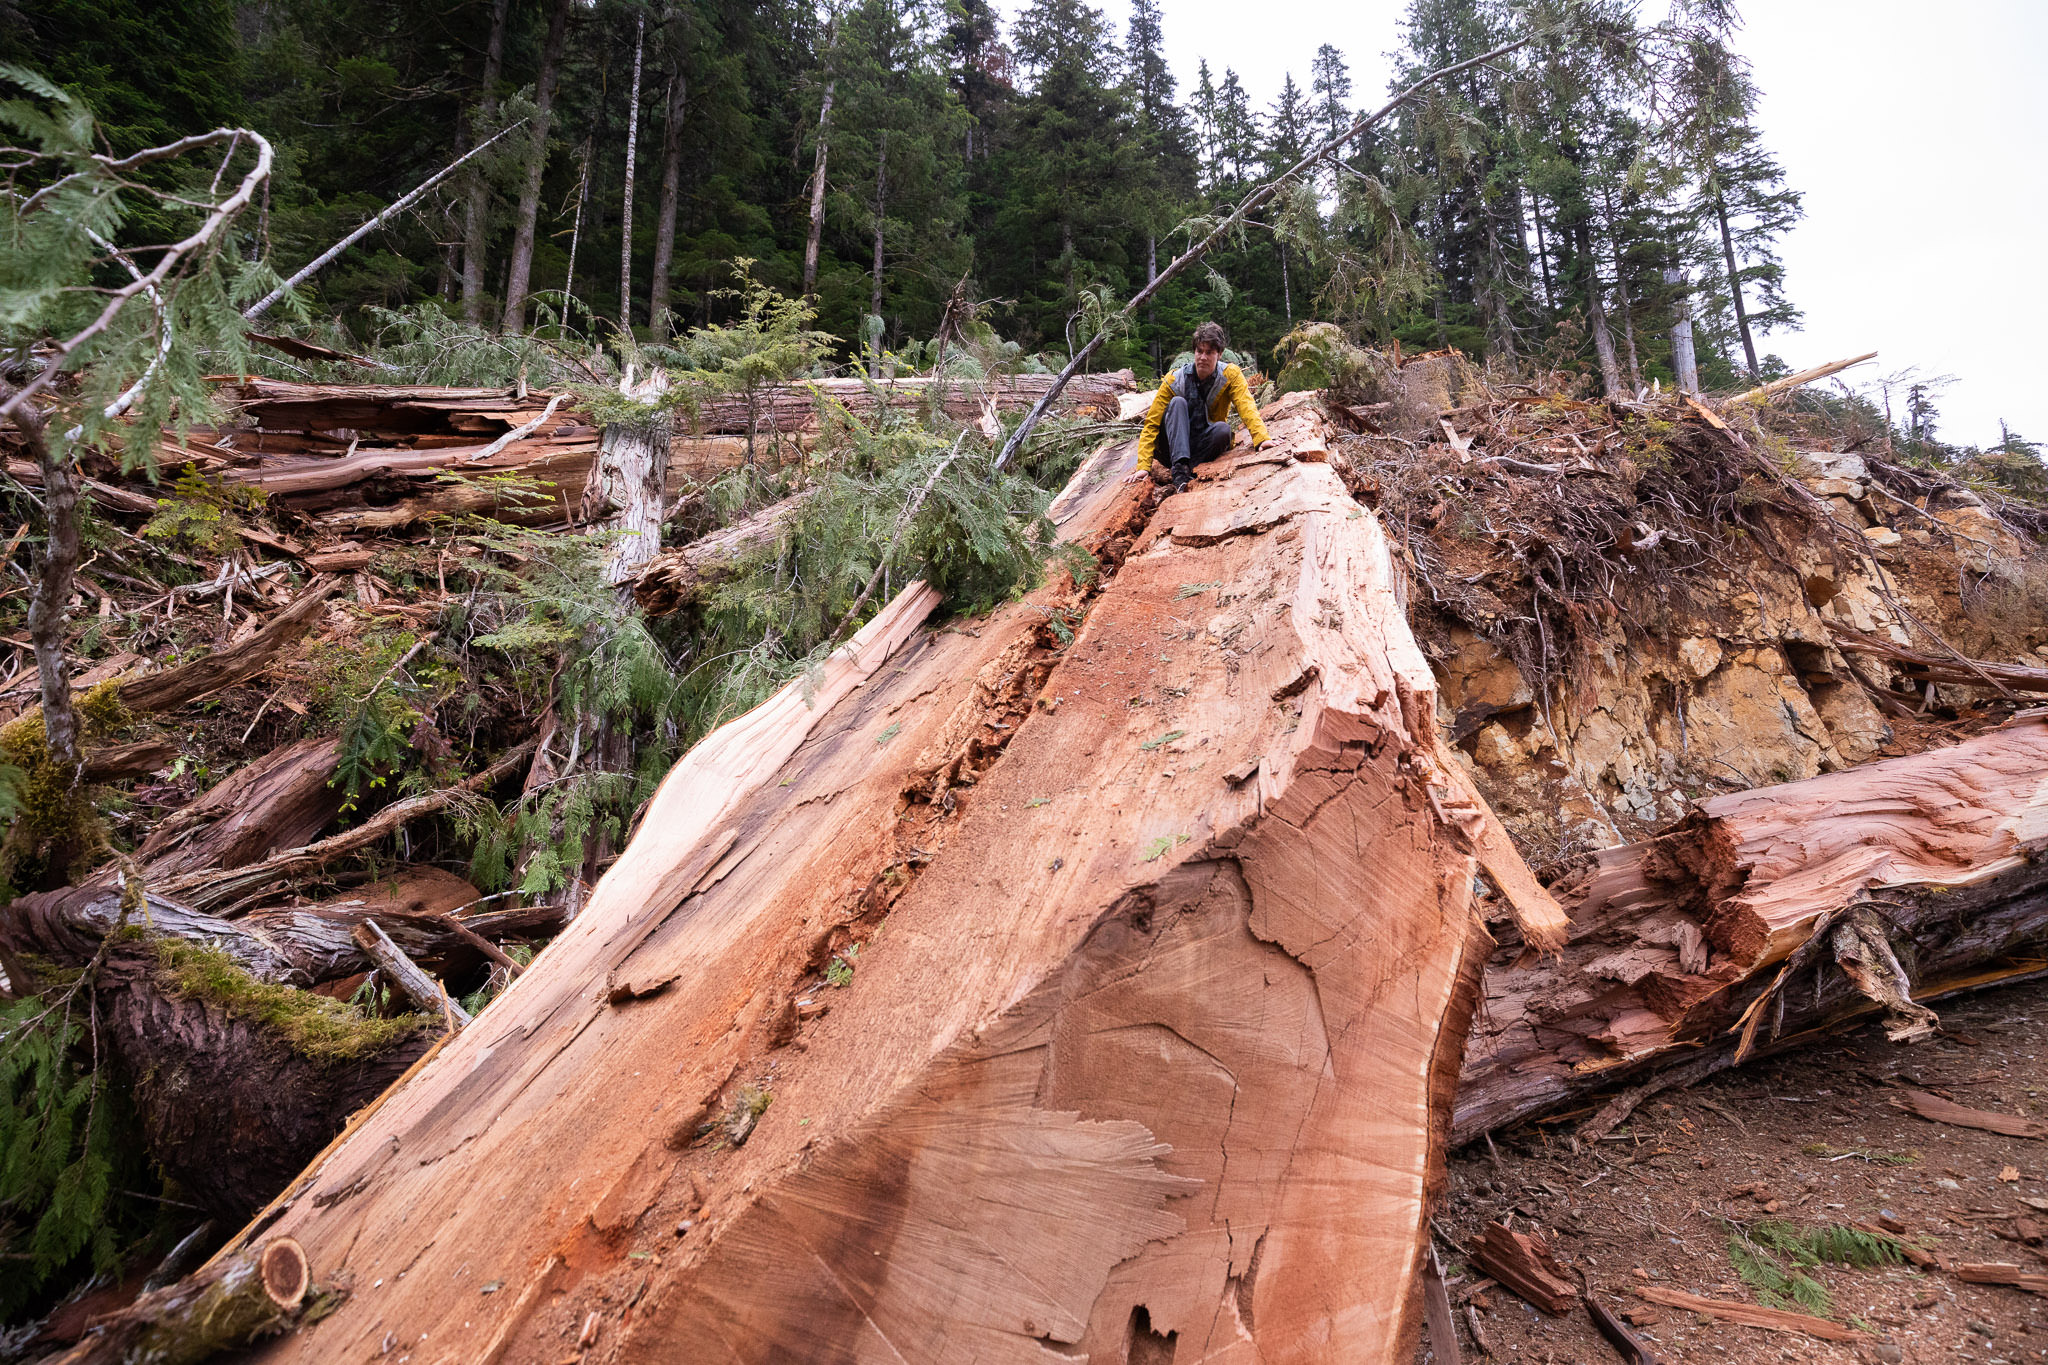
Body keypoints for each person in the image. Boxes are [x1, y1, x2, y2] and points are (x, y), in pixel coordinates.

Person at [1129, 321, 1272, 494]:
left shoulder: (1230, 375)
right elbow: (1151, 424)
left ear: (1219, 354)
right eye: (1199, 351)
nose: (1203, 357)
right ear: (1194, 351)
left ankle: (1191, 469)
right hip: (1172, 449)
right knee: (1177, 403)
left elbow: (1246, 406)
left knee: (1223, 430)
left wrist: (1262, 438)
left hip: (1203, 444)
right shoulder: (1175, 379)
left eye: (1209, 352)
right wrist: (1143, 466)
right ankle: (1180, 471)